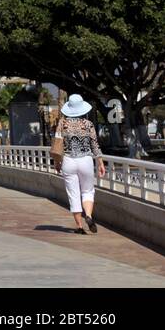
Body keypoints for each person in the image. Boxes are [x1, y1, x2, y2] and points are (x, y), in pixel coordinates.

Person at [53, 94, 106, 234]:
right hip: (86, 161)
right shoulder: (88, 125)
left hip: (68, 161)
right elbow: (95, 145)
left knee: (73, 193)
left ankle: (79, 226)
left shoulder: (62, 124)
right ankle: (88, 216)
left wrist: (57, 163)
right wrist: (100, 162)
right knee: (87, 191)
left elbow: (57, 146)